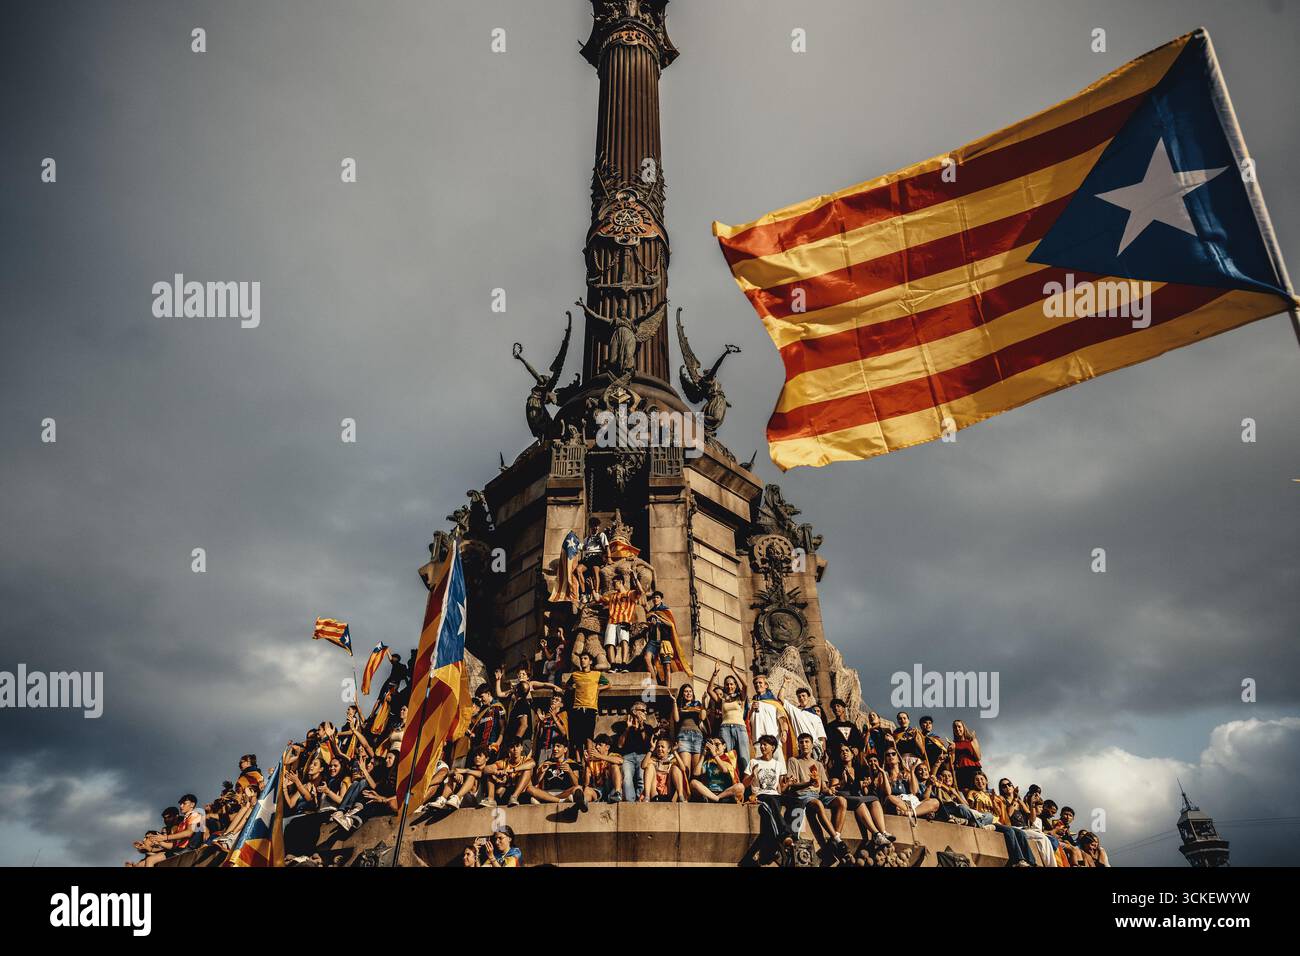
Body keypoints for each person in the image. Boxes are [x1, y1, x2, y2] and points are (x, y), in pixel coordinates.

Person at [784, 732, 849, 862]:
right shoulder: (794, 761)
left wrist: (830, 790)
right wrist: (808, 783)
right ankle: (837, 840)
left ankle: (833, 839)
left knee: (842, 801)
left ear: (812, 745)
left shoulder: (818, 765)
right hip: (803, 795)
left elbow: (823, 788)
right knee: (817, 805)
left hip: (818, 795)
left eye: (807, 742)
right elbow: (792, 785)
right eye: (801, 742)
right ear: (798, 745)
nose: (804, 745)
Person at [827, 742, 893, 848]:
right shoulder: (837, 769)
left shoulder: (860, 768)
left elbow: (864, 791)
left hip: (857, 795)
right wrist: (842, 782)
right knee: (860, 802)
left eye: (847, 750)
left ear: (853, 755)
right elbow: (834, 789)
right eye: (842, 751)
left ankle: (883, 832)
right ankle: (876, 834)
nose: (844, 753)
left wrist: (866, 785)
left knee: (874, 799)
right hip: (844, 795)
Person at [746, 735, 792, 847]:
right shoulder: (753, 762)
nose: (762, 747)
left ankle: (793, 832)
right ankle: (784, 834)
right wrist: (752, 775)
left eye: (765, 744)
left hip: (775, 795)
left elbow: (780, 790)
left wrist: (788, 784)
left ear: (773, 747)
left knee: (797, 801)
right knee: (772, 801)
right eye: (760, 744)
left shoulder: (779, 765)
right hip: (761, 795)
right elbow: (744, 784)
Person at [706, 660, 751, 775]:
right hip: (725, 728)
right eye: (727, 684)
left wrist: (734, 669)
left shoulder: (741, 697)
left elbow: (745, 685)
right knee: (728, 757)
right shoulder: (722, 700)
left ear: (735, 686)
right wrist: (714, 674)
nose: (729, 686)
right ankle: (731, 782)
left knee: (743, 757)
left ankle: (746, 789)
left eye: (732, 684)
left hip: (740, 728)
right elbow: (709, 690)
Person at [564, 651, 608, 751]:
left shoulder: (597, 674)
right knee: (577, 738)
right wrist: (573, 689)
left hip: (590, 708)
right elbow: (567, 685)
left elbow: (608, 684)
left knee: (589, 736)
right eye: (581, 659)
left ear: (591, 661)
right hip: (577, 707)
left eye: (585, 658)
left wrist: (598, 689)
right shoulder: (575, 674)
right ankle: (579, 762)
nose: (582, 661)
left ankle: (589, 760)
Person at [527, 739, 586, 809]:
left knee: (578, 788)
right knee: (529, 788)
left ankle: (548, 800)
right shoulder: (547, 762)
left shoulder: (572, 764)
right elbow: (535, 782)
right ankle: (560, 801)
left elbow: (576, 784)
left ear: (565, 749)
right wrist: (541, 772)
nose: (555, 749)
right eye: (554, 746)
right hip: (547, 793)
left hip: (564, 793)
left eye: (558, 746)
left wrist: (570, 771)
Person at [618, 701, 655, 802]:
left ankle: (641, 799)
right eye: (643, 710)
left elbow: (647, 744)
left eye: (646, 711)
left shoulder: (648, 727)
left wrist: (642, 726)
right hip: (627, 757)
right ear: (634, 711)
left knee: (642, 778)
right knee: (626, 778)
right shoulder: (625, 726)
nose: (645, 713)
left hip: (642, 756)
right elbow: (620, 745)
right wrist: (627, 729)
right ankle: (630, 801)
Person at [690, 736, 744, 803]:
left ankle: (717, 798)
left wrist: (715, 755)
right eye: (713, 744)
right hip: (709, 792)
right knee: (693, 782)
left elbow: (724, 770)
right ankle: (715, 798)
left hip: (725, 793)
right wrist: (703, 754)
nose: (714, 747)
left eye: (717, 744)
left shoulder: (729, 758)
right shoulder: (709, 761)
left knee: (740, 786)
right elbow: (696, 773)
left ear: (724, 746)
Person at [747, 673, 789, 757]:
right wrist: (751, 710)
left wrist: (784, 732)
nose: (757, 685)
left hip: (774, 743)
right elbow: (746, 721)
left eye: (760, 683)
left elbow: (782, 719)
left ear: (766, 685)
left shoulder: (774, 703)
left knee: (779, 769)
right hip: (758, 744)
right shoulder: (751, 704)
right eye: (755, 684)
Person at [781, 682, 827, 760]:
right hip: (800, 748)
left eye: (803, 696)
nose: (802, 698)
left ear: (808, 697)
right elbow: (780, 698)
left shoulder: (815, 716)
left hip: (814, 750)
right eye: (799, 697)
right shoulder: (795, 711)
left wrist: (824, 752)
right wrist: (785, 683)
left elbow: (821, 736)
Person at [671, 683, 707, 778]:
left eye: (690, 691)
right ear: (682, 694)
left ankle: (695, 791)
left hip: (697, 736)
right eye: (686, 691)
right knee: (685, 770)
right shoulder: (679, 705)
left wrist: (703, 701)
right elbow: (676, 719)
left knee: (696, 770)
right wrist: (674, 702)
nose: (688, 693)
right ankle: (686, 792)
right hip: (683, 736)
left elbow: (702, 717)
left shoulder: (697, 704)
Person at [487, 739, 536, 807]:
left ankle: (514, 797)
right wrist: (497, 772)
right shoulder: (504, 762)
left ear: (521, 748)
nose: (515, 749)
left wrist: (512, 770)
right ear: (508, 750)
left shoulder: (525, 760)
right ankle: (490, 800)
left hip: (523, 793)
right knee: (490, 775)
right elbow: (486, 769)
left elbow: (532, 764)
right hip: (508, 793)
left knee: (527, 770)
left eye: (517, 746)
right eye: (512, 747)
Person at [465, 684, 507, 758]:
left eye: (482, 697)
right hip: (479, 748)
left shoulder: (498, 707)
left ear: (488, 694)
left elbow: (503, 728)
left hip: (491, 748)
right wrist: (472, 734)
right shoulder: (482, 710)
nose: (480, 700)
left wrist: (496, 744)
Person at [581, 735, 624, 804]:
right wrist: (586, 763)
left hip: (611, 788)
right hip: (599, 790)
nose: (597, 747)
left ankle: (618, 794)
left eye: (600, 745)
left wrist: (600, 756)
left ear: (607, 747)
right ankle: (583, 803)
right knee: (586, 790)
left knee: (614, 765)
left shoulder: (612, 755)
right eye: (596, 745)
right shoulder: (592, 761)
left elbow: (620, 761)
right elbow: (586, 783)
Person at [642, 736, 685, 802]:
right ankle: (647, 797)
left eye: (662, 747)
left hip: (668, 793)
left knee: (675, 768)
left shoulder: (672, 761)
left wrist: (674, 752)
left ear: (668, 750)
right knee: (649, 766)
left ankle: (681, 796)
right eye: (658, 747)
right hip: (654, 794)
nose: (659, 749)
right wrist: (651, 749)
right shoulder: (653, 760)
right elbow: (643, 766)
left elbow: (683, 768)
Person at [532, 692, 569, 765]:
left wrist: (554, 717)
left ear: (561, 704)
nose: (554, 700)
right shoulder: (546, 716)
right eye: (553, 698)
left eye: (557, 699)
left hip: (555, 749)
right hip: (544, 748)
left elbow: (564, 733)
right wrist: (541, 722)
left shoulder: (563, 715)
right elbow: (540, 735)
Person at [951, 720, 983, 790]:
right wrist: (951, 750)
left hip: (974, 769)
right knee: (967, 793)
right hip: (961, 771)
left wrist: (973, 741)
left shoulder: (971, 740)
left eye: (959, 726)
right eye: (955, 727)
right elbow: (952, 762)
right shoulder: (953, 744)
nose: (957, 729)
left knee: (979, 792)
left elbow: (978, 757)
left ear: (963, 727)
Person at [580, 517, 608, 599]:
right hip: (588, 557)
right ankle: (583, 594)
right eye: (594, 526)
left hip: (597, 556)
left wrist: (609, 558)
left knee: (595, 572)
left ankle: (595, 592)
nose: (596, 528)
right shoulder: (587, 539)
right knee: (578, 570)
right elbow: (580, 548)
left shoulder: (601, 535)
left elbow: (607, 547)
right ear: (590, 527)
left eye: (597, 526)